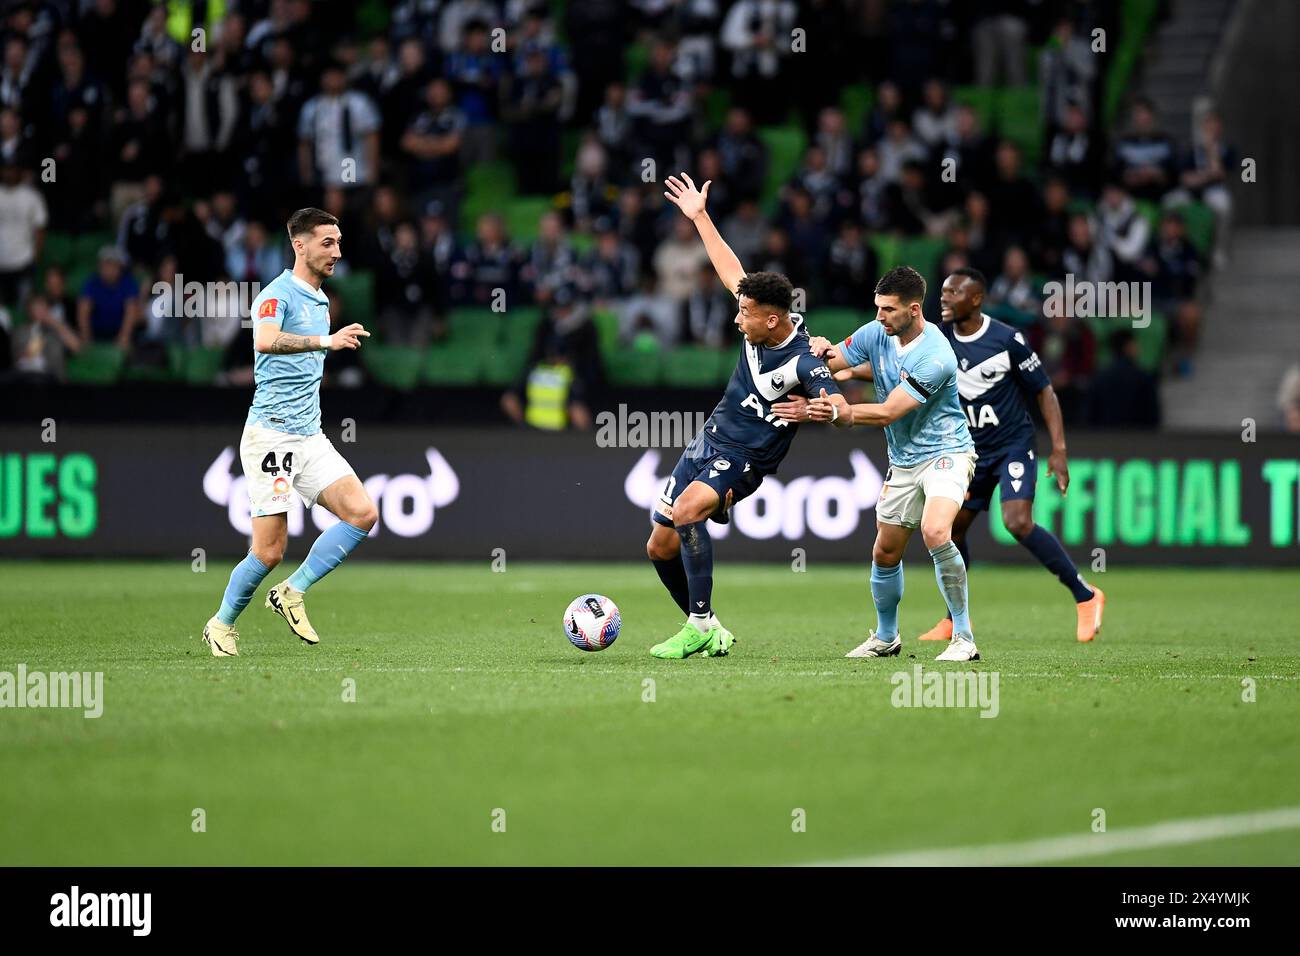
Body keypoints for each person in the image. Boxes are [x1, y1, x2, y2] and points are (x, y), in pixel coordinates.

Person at [646, 172, 842, 660]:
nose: (737, 318)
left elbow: (838, 402)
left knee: (689, 511)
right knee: (659, 546)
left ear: (771, 319)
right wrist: (700, 216)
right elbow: (729, 268)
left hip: (747, 457)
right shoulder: (758, 314)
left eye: (745, 313)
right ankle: (708, 626)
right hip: (709, 439)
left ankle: (697, 624)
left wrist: (818, 410)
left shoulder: (803, 359)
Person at [776, 266, 983, 663]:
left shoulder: (937, 355)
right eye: (877, 307)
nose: (879, 316)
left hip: (947, 452)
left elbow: (888, 412)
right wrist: (819, 354)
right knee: (885, 552)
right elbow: (834, 363)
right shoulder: (877, 332)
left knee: (937, 531)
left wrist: (833, 412)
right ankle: (886, 637)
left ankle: (964, 637)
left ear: (914, 309)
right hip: (903, 461)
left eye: (888, 309)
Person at [201, 208, 377, 658]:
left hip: (309, 435)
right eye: (327, 243)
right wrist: (325, 341)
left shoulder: (319, 298)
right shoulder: (276, 294)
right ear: (300, 245)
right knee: (269, 550)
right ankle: (221, 624)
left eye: (338, 242)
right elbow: (263, 340)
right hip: (271, 437)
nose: (337, 251)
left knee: (362, 514)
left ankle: (292, 592)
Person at [924, 267, 1106, 644]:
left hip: (1012, 445)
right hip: (969, 451)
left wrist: (1059, 449)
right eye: (942, 292)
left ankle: (1085, 596)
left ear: (975, 299)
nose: (944, 298)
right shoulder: (937, 339)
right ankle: (954, 620)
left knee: (1018, 522)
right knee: (951, 528)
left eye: (953, 293)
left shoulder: (1007, 340)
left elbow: (1045, 392)